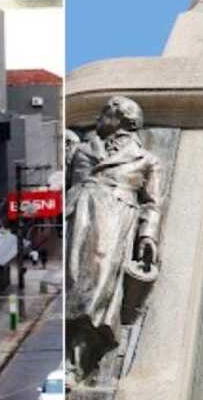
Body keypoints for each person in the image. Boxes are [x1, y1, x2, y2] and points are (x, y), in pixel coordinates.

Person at [65, 95, 162, 379]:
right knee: (72, 280)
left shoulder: (146, 159)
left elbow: (152, 202)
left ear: (125, 121)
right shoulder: (82, 149)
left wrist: (148, 235)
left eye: (106, 113)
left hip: (114, 219)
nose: (98, 118)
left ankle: (77, 360)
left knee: (97, 285)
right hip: (77, 215)